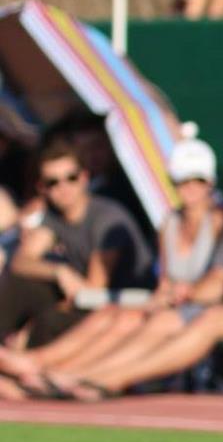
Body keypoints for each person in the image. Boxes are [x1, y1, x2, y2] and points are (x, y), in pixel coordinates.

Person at [43, 137, 223, 401]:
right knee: (165, 319)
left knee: (212, 318)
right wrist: (188, 292)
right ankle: (85, 374)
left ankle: (113, 379)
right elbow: (219, 276)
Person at [0, 131, 223, 393]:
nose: (189, 188)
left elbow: (220, 279)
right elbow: (22, 261)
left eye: (197, 180)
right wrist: (60, 271)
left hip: (156, 302)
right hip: (147, 302)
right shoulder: (169, 224)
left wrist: (186, 293)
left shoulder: (221, 221)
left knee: (114, 317)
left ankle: (62, 373)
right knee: (109, 314)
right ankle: (49, 371)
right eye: (181, 181)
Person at [0, 136, 151, 348]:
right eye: (53, 182)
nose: (63, 187)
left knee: (51, 320)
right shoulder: (54, 216)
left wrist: (30, 328)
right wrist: (59, 272)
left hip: (123, 304)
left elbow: (93, 291)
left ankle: (23, 360)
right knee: (21, 284)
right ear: (42, 188)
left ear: (85, 177)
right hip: (83, 297)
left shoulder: (107, 218)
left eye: (71, 178)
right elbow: (21, 261)